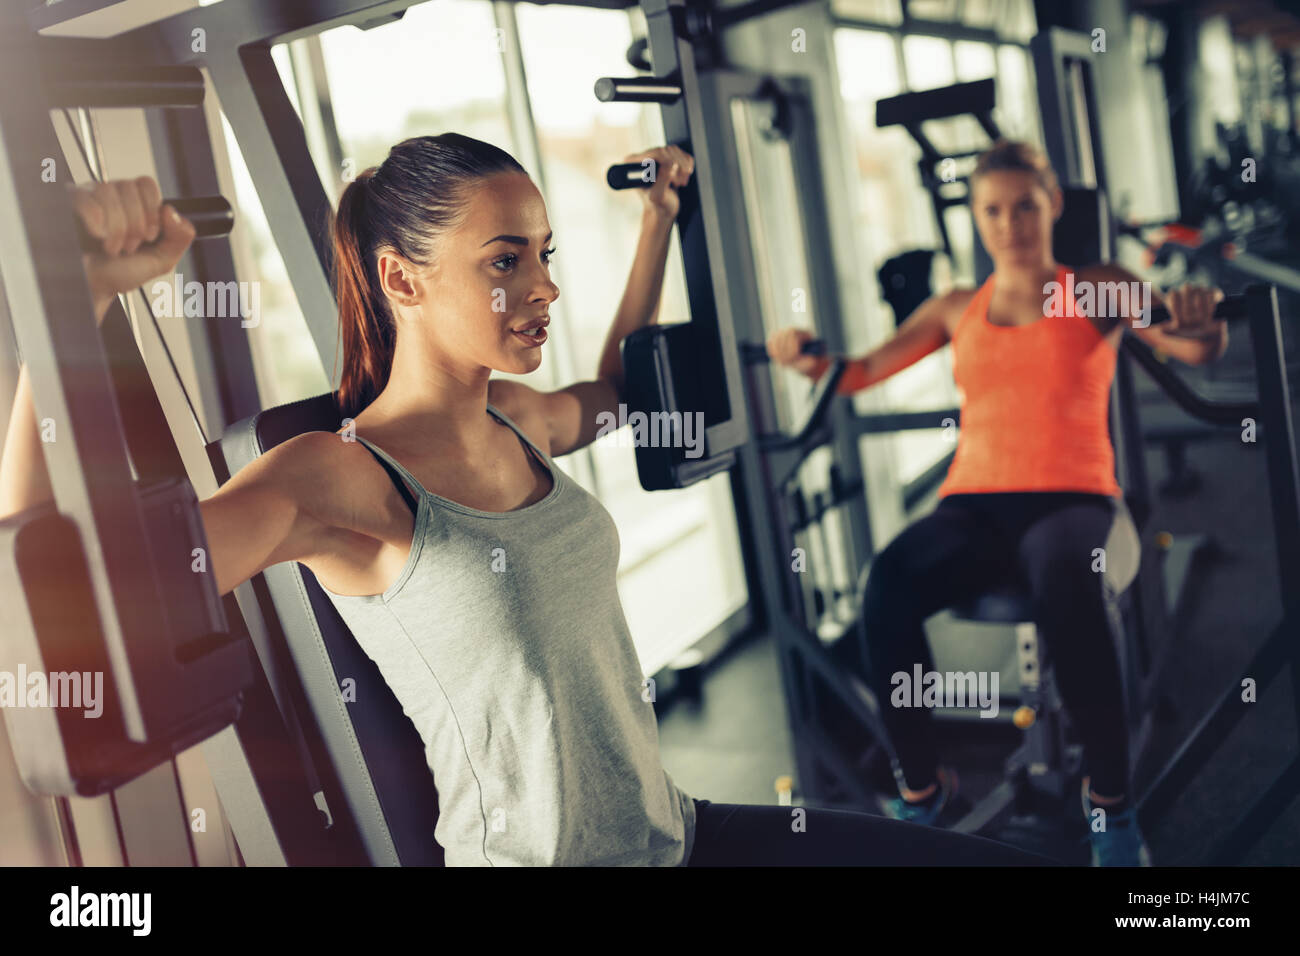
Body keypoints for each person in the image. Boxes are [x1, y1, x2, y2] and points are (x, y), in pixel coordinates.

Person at [1, 133, 1057, 867]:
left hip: (679, 836)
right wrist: (76, 297)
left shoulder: (513, 415)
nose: (543, 284)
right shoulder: (336, 476)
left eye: (544, 254)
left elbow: (612, 394)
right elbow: (62, 618)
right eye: (505, 261)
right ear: (401, 280)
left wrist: (653, 225)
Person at [767, 139, 1228, 867]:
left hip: (1073, 497)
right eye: (992, 209)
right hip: (975, 502)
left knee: (1066, 582)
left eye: (1024, 205)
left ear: (1053, 206)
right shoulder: (955, 307)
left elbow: (1195, 347)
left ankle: (1111, 810)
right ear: (976, 218)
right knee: (886, 586)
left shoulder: (1097, 286)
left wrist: (1204, 316)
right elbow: (858, 372)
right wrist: (805, 357)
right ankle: (922, 791)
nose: (1009, 223)